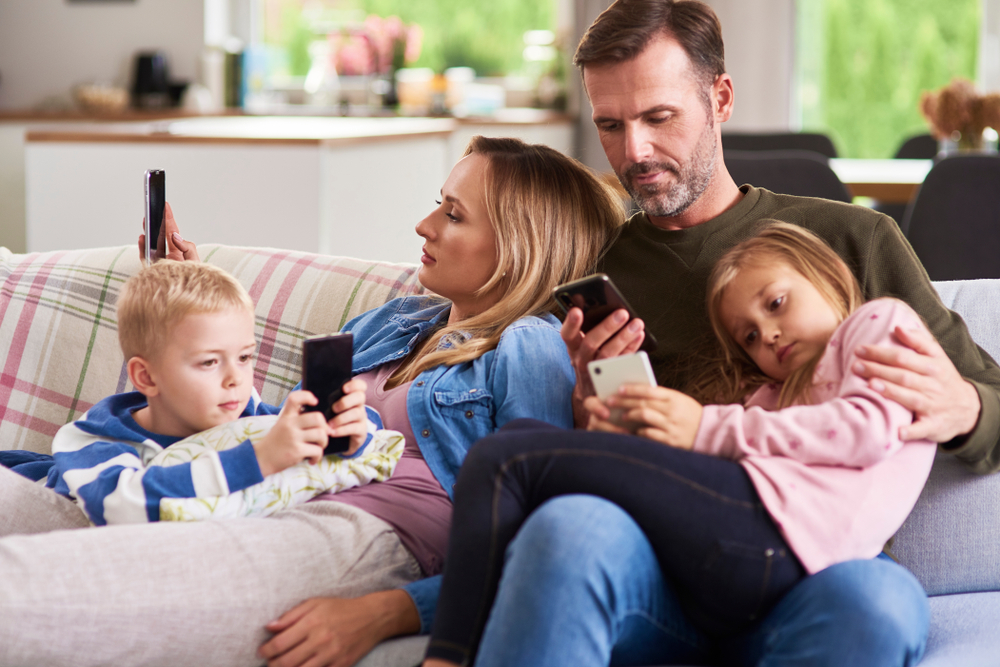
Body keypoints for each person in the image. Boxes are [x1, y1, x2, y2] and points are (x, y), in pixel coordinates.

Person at [450, 1, 1000, 666]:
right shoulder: (597, 272)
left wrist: (965, 406)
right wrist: (590, 403)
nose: (635, 152)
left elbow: (987, 398)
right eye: (610, 125)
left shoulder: (852, 239)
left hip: (821, 567)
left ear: (721, 98)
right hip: (663, 571)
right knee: (569, 527)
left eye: (658, 118)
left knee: (876, 604)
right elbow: (608, 458)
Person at [0, 135, 625, 667]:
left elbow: (532, 528)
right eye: (439, 204)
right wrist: (183, 309)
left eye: (454, 215)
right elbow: (261, 422)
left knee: (34, 589)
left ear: (520, 247)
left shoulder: (530, 346)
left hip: (369, 530)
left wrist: (392, 611)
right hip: (270, 487)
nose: (425, 225)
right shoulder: (404, 317)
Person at [422, 222, 938, 666]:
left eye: (777, 303)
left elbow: (865, 429)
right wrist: (628, 432)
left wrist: (703, 427)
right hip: (733, 569)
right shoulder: (766, 398)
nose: (770, 335)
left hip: (784, 544)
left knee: (504, 457)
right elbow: (697, 484)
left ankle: (445, 656)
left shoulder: (879, 322)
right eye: (750, 337)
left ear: (826, 276)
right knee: (518, 455)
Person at [17, 260, 377, 528]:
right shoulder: (94, 440)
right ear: (147, 376)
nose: (235, 378)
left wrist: (349, 429)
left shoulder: (245, 413)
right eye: (209, 363)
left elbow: (316, 436)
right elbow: (126, 506)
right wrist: (260, 459)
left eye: (245, 356)